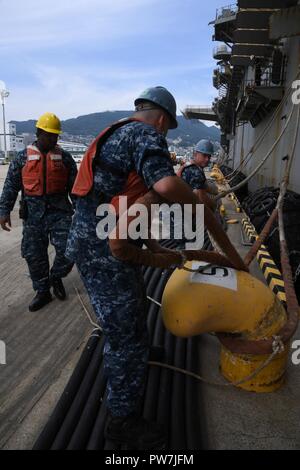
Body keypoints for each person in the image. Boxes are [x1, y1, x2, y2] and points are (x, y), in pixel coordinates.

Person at [66, 87, 244, 449]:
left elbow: (131, 200)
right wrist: (201, 211)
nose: (164, 134)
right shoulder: (145, 133)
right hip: (105, 249)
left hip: (100, 238)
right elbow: (163, 184)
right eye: (167, 129)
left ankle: (142, 353)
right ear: (161, 120)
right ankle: (122, 422)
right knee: (124, 335)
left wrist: (151, 246)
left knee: (137, 303)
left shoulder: (117, 132)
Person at [0, 112, 78, 311]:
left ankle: (56, 276)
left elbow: (76, 188)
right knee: (34, 255)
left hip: (60, 212)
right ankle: (43, 291)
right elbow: (10, 186)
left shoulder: (65, 158)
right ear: (39, 133)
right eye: (49, 135)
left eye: (56, 135)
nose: (53, 139)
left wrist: (82, 211)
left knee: (70, 249)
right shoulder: (22, 158)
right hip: (33, 215)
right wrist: (4, 211)